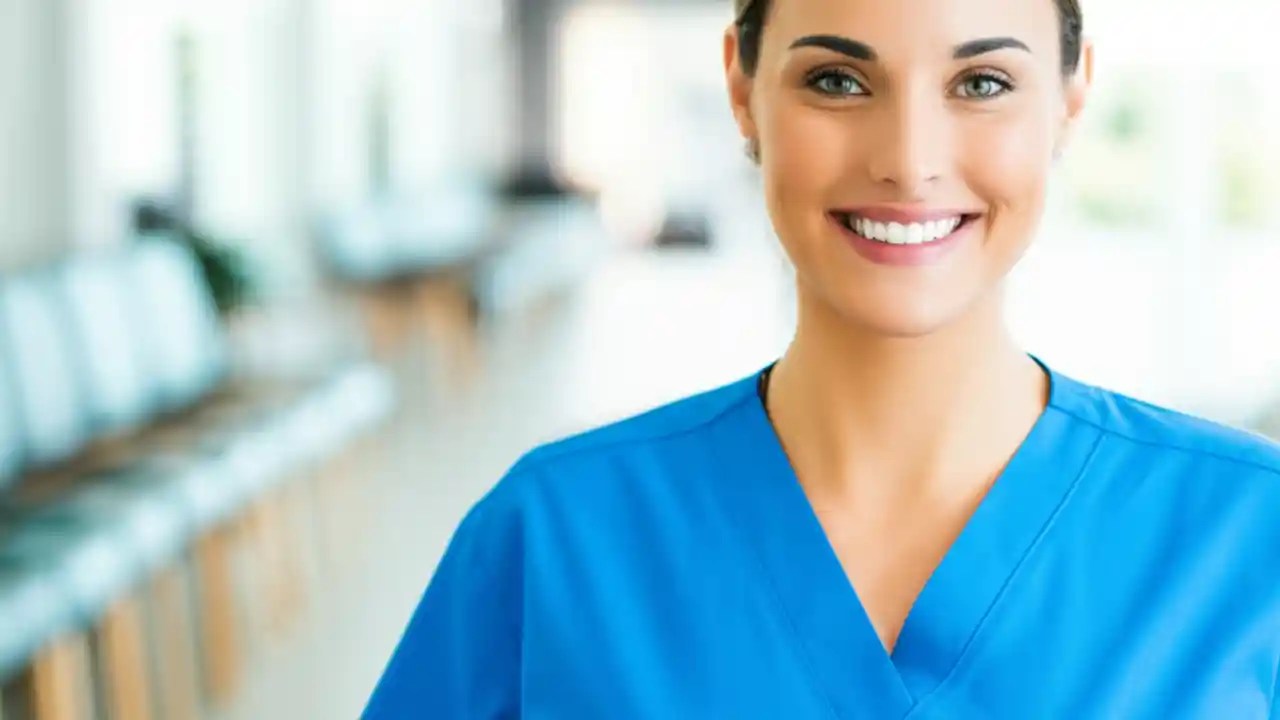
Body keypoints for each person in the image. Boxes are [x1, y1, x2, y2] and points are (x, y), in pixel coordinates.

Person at [365, 0, 1280, 716]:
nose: (909, 162)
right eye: (838, 81)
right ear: (741, 89)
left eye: (982, 82)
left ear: (1071, 101)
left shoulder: (1250, 536)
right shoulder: (555, 539)